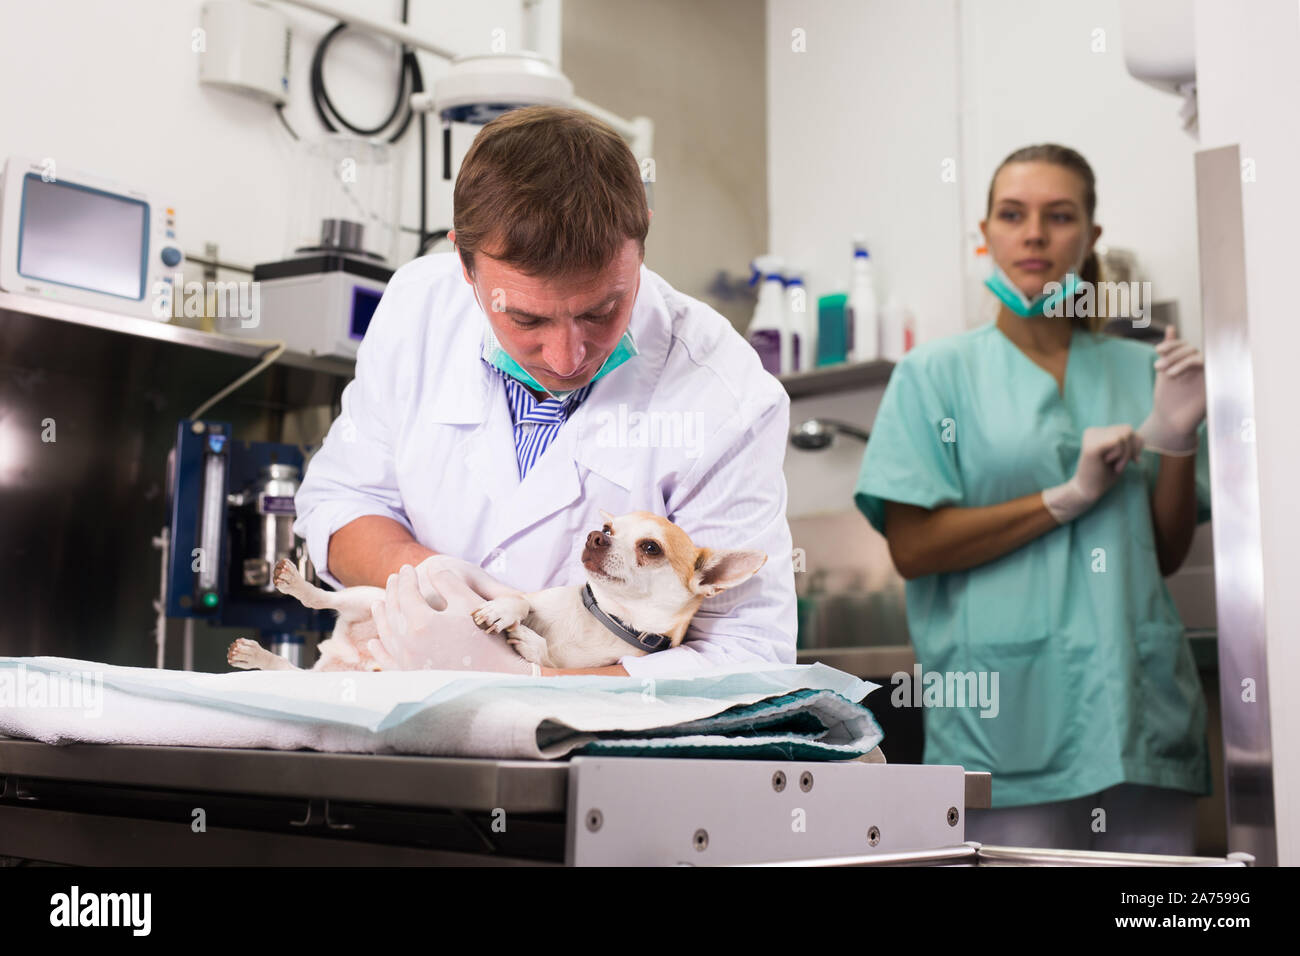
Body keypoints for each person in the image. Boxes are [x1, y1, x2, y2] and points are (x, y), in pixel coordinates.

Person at [293, 106, 797, 678]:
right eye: (527, 319)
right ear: (464, 264)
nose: (566, 358)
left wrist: (531, 682)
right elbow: (341, 504)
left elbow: (746, 654)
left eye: (601, 311)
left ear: (641, 245)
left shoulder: (726, 394)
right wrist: (444, 587)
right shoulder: (417, 307)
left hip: (599, 730)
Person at [853, 144, 1212, 854]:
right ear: (985, 233)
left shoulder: (1145, 368)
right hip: (1006, 719)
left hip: (1140, 713)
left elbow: (1165, 553)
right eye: (1013, 215)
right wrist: (1065, 498)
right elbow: (914, 549)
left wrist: (1178, 439)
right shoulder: (935, 374)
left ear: (1091, 236)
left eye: (1060, 216)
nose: (1035, 235)